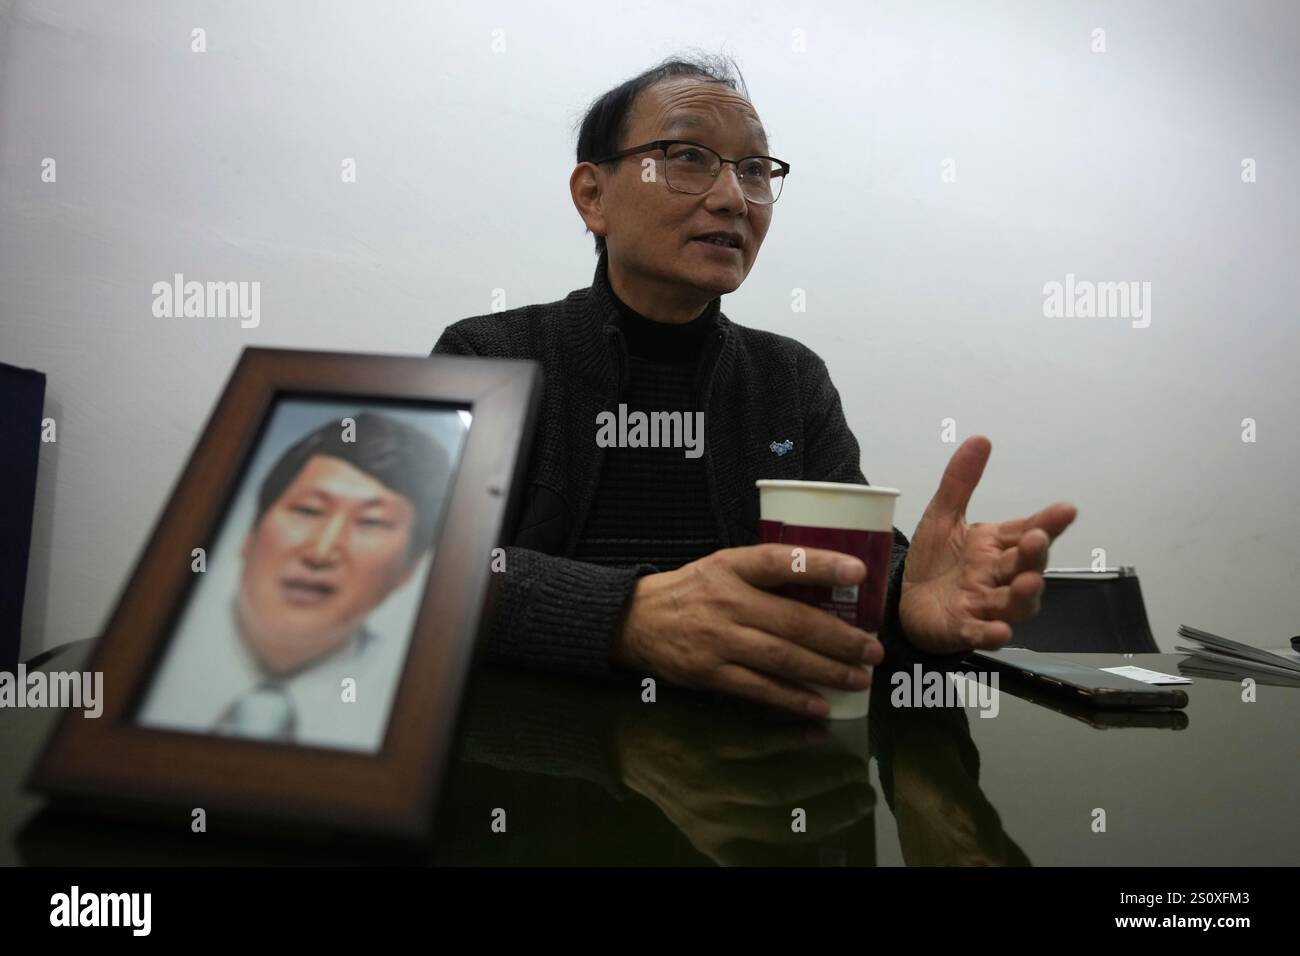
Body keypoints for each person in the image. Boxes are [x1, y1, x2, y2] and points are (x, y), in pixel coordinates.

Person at [432, 54, 1077, 718]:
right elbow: (423, 578)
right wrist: (627, 616)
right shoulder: (490, 355)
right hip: (531, 778)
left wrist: (906, 598)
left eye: (755, 170)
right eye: (687, 157)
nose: (733, 197)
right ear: (594, 196)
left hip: (753, 785)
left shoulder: (789, 378)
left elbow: (841, 573)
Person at [137, 410, 450, 751]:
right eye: (308, 511)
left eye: (371, 523)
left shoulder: (416, 712)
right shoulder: (145, 653)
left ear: (410, 568)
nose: (321, 551)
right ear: (250, 532)